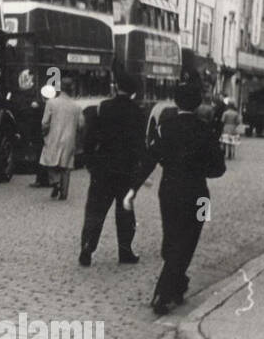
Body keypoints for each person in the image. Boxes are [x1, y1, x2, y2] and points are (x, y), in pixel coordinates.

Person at [127, 72, 226, 315]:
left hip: (169, 190)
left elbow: (149, 160)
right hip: (200, 194)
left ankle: (177, 284)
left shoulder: (165, 128)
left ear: (177, 103)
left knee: (172, 237)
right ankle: (165, 291)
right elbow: (219, 168)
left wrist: (133, 189)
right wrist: (201, 169)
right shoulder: (206, 131)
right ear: (198, 103)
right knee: (189, 239)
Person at [79, 67, 147, 266]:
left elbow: (89, 138)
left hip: (102, 169)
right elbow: (140, 145)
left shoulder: (102, 108)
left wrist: (90, 162)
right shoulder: (137, 112)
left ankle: (87, 247)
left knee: (95, 210)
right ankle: (125, 251)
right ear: (133, 91)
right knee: (125, 211)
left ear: (116, 87)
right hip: (126, 170)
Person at [40, 77, 83, 201]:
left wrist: (45, 132)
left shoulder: (51, 103)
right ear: (71, 90)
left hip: (53, 137)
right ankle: (64, 193)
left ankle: (56, 182)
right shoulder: (76, 106)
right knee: (66, 165)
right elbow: (81, 125)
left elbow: (44, 122)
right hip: (69, 139)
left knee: (49, 161)